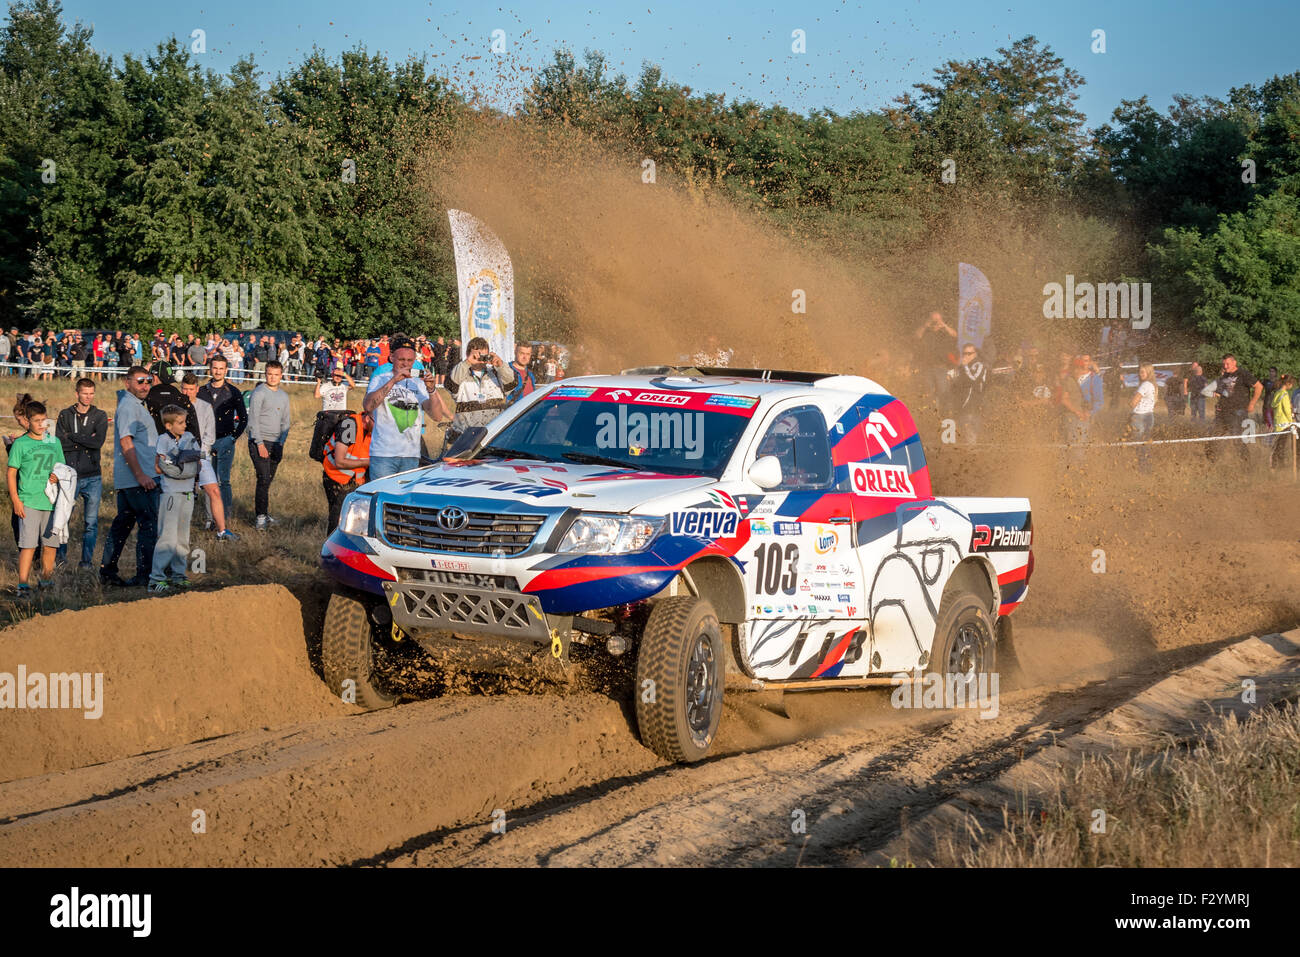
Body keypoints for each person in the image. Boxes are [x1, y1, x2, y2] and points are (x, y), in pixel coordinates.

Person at [100, 365, 161, 587]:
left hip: (134, 479)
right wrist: (141, 475)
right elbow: (126, 442)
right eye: (140, 381)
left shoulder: (136, 405)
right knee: (149, 525)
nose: (145, 385)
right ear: (128, 383)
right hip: (138, 480)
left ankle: (108, 572)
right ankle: (144, 576)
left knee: (123, 525)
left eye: (148, 381)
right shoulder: (128, 406)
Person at [363, 335, 451, 478]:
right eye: (401, 360)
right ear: (392, 358)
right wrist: (394, 380)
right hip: (384, 453)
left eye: (410, 360)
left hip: (411, 454)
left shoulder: (418, 382)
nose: (405, 364)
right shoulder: (381, 378)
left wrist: (432, 389)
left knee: (404, 499)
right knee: (383, 495)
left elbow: (436, 416)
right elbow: (368, 406)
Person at [6, 400, 64, 596]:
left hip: (50, 502)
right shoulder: (21, 444)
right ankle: (22, 584)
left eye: (43, 420)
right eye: (37, 421)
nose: (41, 425)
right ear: (27, 421)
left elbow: (61, 468)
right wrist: (16, 499)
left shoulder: (52, 441)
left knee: (50, 545)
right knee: (28, 545)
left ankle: (46, 581)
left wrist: (57, 476)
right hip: (28, 500)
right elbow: (12, 472)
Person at [54, 378, 108, 569]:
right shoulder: (65, 415)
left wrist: (73, 437)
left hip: (93, 475)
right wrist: (85, 439)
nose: (88, 397)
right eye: (85, 393)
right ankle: (60, 559)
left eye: (91, 393)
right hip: (70, 475)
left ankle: (86, 562)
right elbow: (60, 443)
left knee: (91, 523)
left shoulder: (100, 415)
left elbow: (98, 442)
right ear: (77, 393)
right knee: (63, 517)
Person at [178, 373, 238, 541]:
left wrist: (198, 456)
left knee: (214, 490)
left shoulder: (205, 407)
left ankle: (221, 530)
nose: (187, 392)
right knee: (184, 495)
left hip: (202, 456)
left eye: (191, 389)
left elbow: (209, 437)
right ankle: (181, 531)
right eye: (184, 389)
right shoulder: (175, 408)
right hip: (180, 457)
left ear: (197, 389)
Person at [150, 405, 202, 592]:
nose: (184, 425)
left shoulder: (189, 438)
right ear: (168, 425)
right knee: (167, 538)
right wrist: (178, 466)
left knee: (182, 538)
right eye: (180, 423)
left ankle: (179, 575)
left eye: (184, 421)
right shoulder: (163, 440)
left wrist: (182, 466)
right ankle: (156, 578)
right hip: (171, 494)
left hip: (187, 493)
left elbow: (198, 464)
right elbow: (159, 467)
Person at [198, 356, 246, 528]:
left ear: (226, 370)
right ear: (210, 368)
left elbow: (244, 419)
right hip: (205, 442)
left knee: (223, 480)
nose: (217, 371)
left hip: (225, 439)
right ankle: (210, 518)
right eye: (215, 368)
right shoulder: (201, 391)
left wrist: (233, 438)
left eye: (221, 368)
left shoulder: (233, 392)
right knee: (207, 480)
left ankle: (225, 516)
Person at [446, 336, 516, 447]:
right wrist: (468, 362)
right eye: (476, 355)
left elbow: (512, 383)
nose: (480, 359)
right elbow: (450, 384)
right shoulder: (461, 373)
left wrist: (501, 365)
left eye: (483, 356)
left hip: (492, 437)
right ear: (468, 355)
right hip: (465, 438)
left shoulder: (496, 373)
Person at [247, 360, 291, 530]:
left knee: (268, 481)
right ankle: (260, 517)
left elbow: (286, 421)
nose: (272, 377)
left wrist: (281, 442)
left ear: (281, 375)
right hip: (260, 442)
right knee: (263, 478)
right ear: (265, 374)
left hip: (276, 442)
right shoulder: (259, 393)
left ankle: (264, 512)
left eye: (276, 374)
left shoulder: (284, 396)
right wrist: (259, 444)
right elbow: (253, 420)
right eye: (269, 374)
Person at [322, 410, 373, 529]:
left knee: (353, 520)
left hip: (356, 480)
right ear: (367, 418)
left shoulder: (374, 431)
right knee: (338, 519)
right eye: (379, 422)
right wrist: (369, 462)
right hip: (336, 477)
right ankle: (332, 545)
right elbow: (340, 462)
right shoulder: (349, 425)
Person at [1211, 354, 1262, 462]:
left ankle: (1246, 463)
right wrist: (1218, 393)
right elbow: (1224, 391)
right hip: (1223, 412)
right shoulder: (1224, 376)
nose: (1225, 366)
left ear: (1234, 362)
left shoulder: (1243, 374)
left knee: (1236, 439)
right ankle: (1211, 461)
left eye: (1227, 363)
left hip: (1238, 412)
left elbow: (1259, 386)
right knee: (1213, 436)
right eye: (1223, 364)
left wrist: (1252, 404)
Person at [914, 311, 957, 405]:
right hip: (927, 368)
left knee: (943, 393)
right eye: (933, 320)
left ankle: (943, 415)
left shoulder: (944, 332)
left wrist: (944, 326)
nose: (935, 322)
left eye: (937, 320)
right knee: (928, 395)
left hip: (941, 368)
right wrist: (926, 325)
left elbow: (955, 335)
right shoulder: (926, 332)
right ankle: (931, 415)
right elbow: (917, 336)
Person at [948, 343, 987, 444]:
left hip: (973, 407)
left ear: (976, 354)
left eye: (969, 353)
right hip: (961, 407)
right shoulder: (961, 368)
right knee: (962, 439)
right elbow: (955, 387)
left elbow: (973, 379)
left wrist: (964, 367)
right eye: (964, 353)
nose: (966, 356)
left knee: (971, 439)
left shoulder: (979, 365)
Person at [1129, 363, 1157, 473]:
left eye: (1142, 372)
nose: (1140, 374)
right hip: (1149, 416)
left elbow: (1133, 403)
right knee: (1145, 444)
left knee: (1140, 445)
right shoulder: (1153, 385)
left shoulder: (1145, 385)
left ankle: (1143, 469)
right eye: (1139, 372)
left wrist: (1130, 400)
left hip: (1139, 416)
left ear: (1148, 373)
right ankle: (1146, 468)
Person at [1269, 373, 1295, 470]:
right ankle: (1280, 467)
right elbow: (1287, 410)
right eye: (1292, 384)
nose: (1292, 386)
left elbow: (1272, 406)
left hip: (1277, 423)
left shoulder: (1277, 393)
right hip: (1285, 424)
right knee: (1281, 447)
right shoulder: (1284, 394)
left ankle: (1275, 465)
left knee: (1278, 446)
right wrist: (1291, 421)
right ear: (1288, 383)